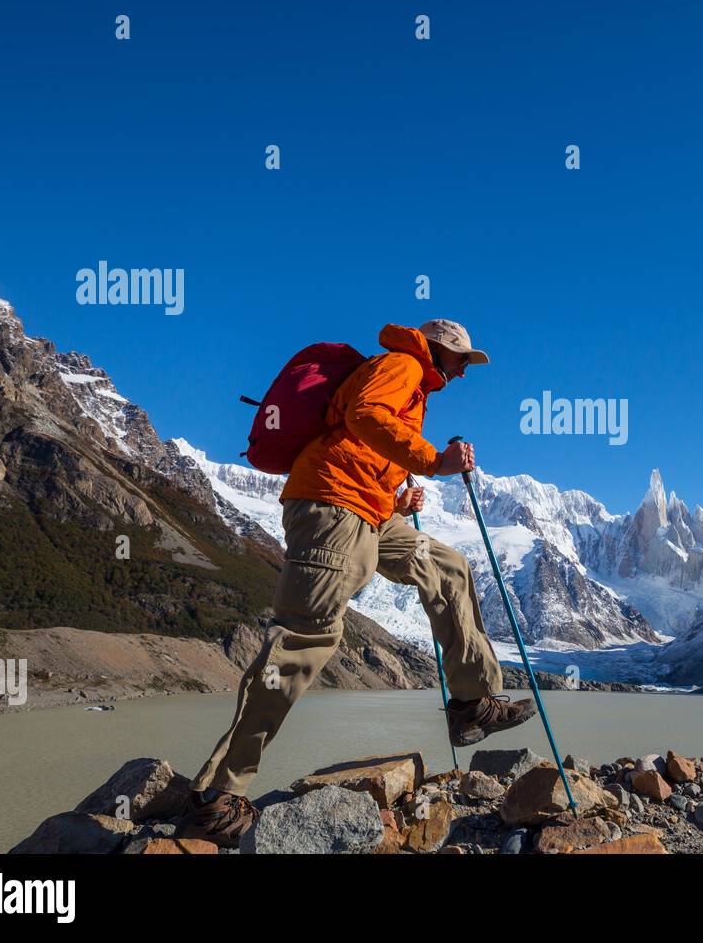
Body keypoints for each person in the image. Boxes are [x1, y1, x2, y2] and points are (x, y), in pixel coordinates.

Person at [176, 319, 535, 847]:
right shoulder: (403, 364)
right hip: (330, 506)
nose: (463, 373)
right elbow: (365, 416)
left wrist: (396, 498)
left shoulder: (412, 382)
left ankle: (471, 703)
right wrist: (434, 461)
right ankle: (216, 797)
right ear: (439, 352)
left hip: (366, 509)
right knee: (306, 637)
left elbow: (362, 443)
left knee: (447, 567)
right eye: (461, 361)